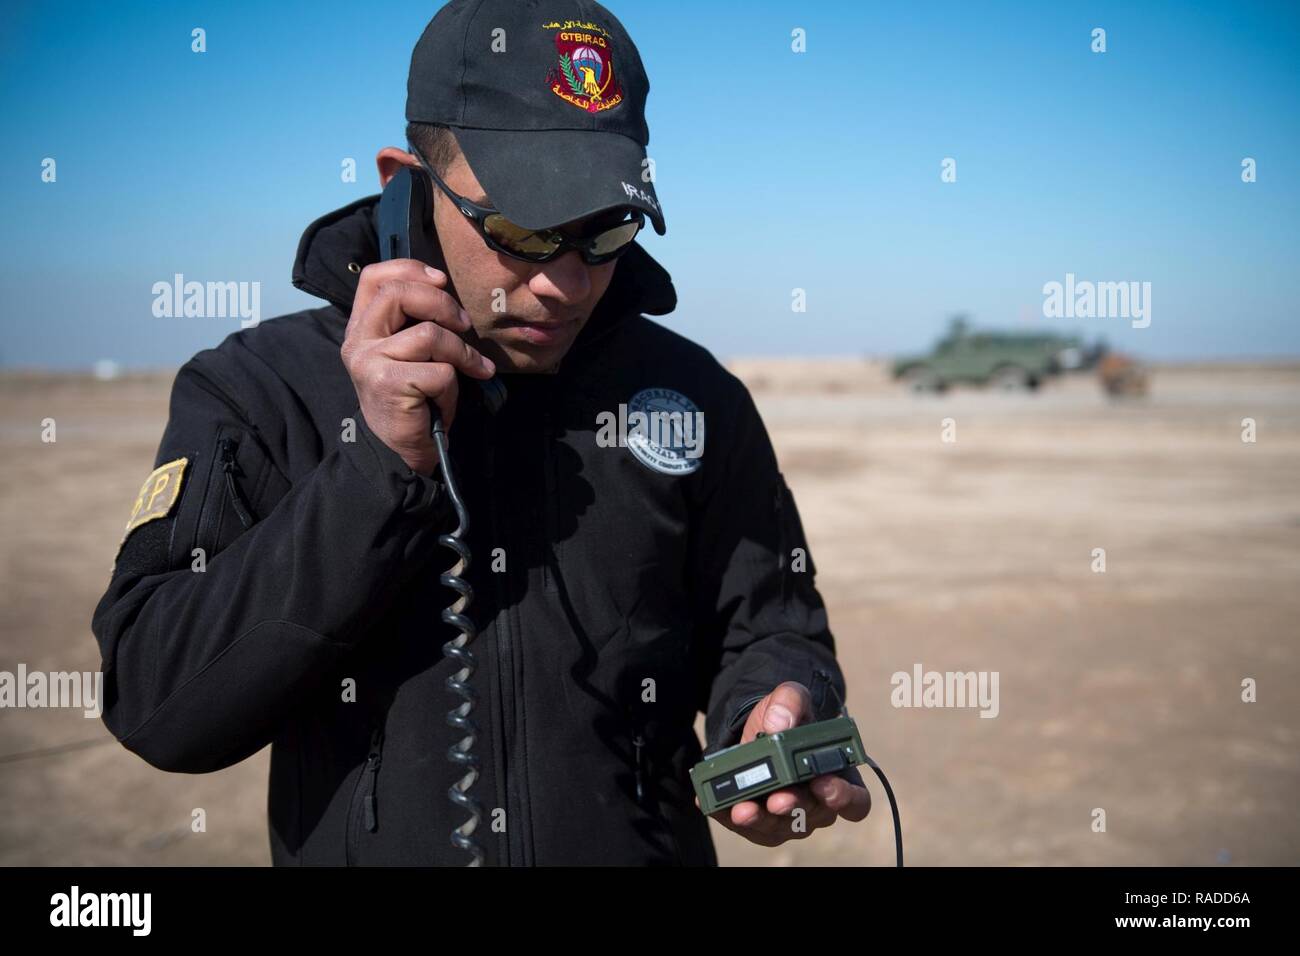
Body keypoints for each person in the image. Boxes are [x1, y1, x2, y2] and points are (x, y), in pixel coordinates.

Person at [91, 0, 870, 866]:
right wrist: (378, 471)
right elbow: (159, 707)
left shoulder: (693, 395)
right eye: (525, 231)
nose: (564, 284)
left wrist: (775, 698)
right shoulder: (258, 388)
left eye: (604, 231)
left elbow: (773, 625)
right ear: (406, 180)